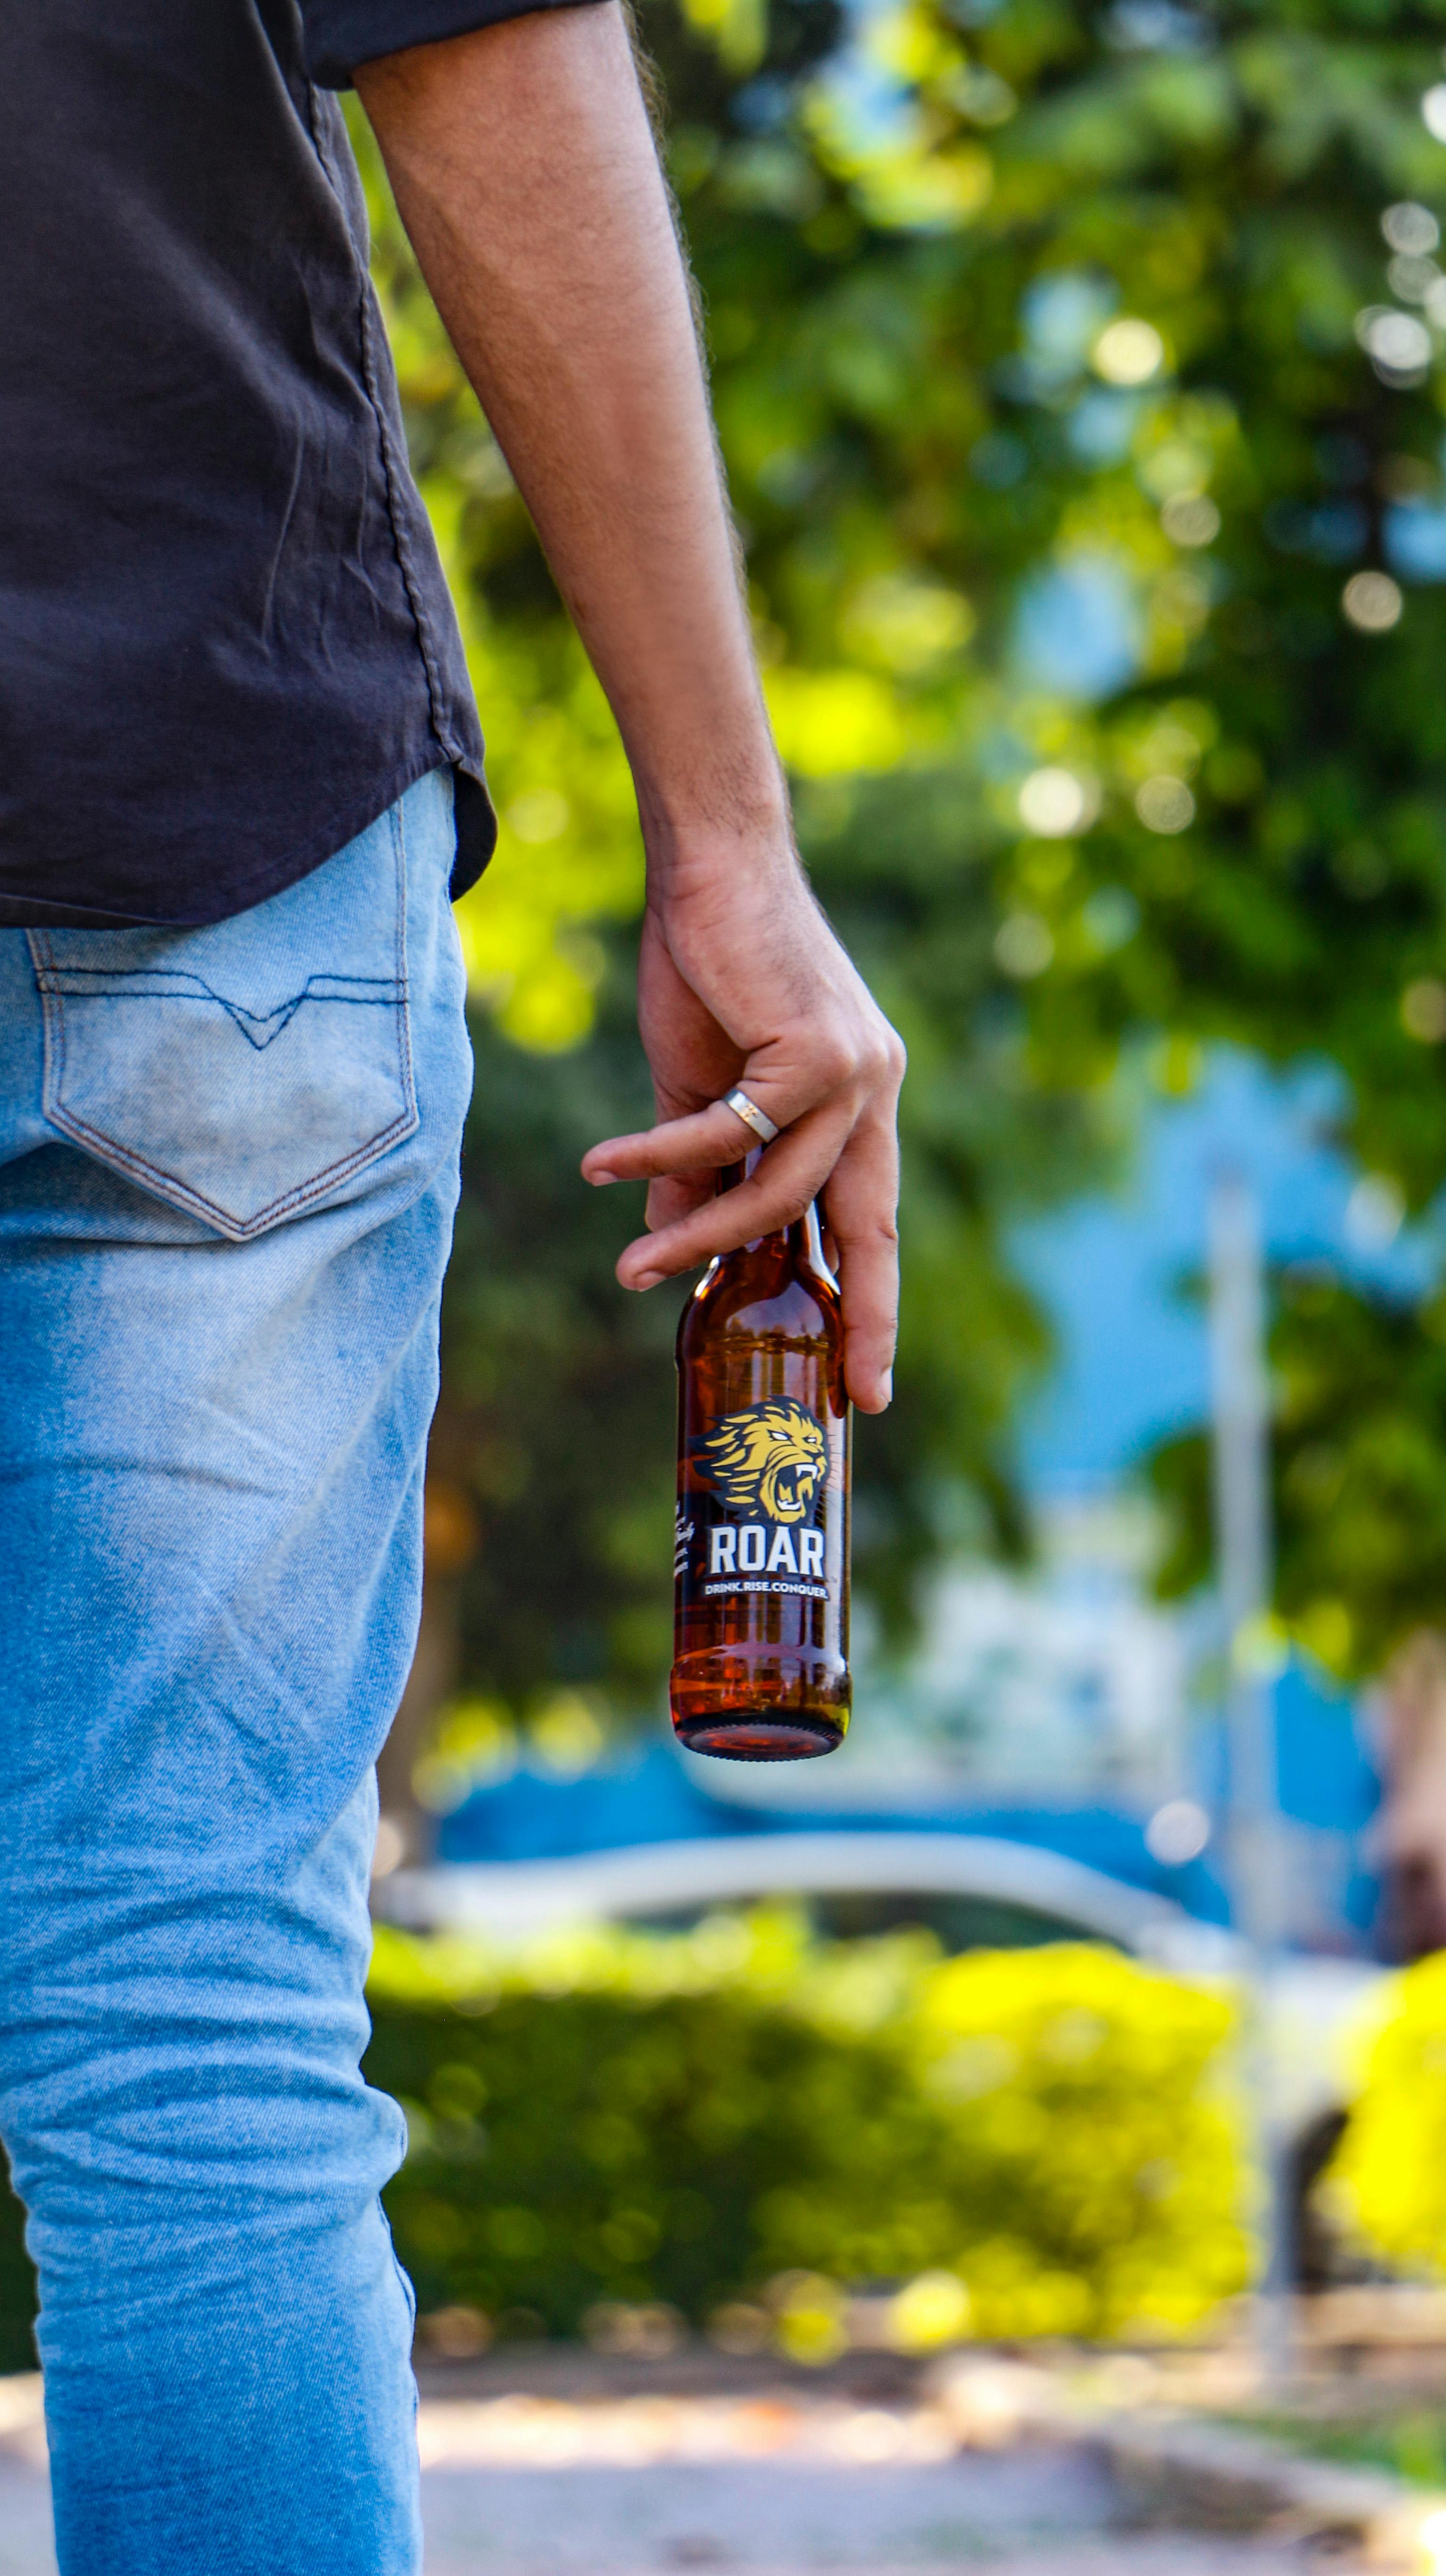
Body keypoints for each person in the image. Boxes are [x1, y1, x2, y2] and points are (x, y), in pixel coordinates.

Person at [0, 4, 903, 2568]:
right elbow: (490, 36)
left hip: (210, 842)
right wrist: (725, 837)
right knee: (191, 2018)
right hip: (210, 818)